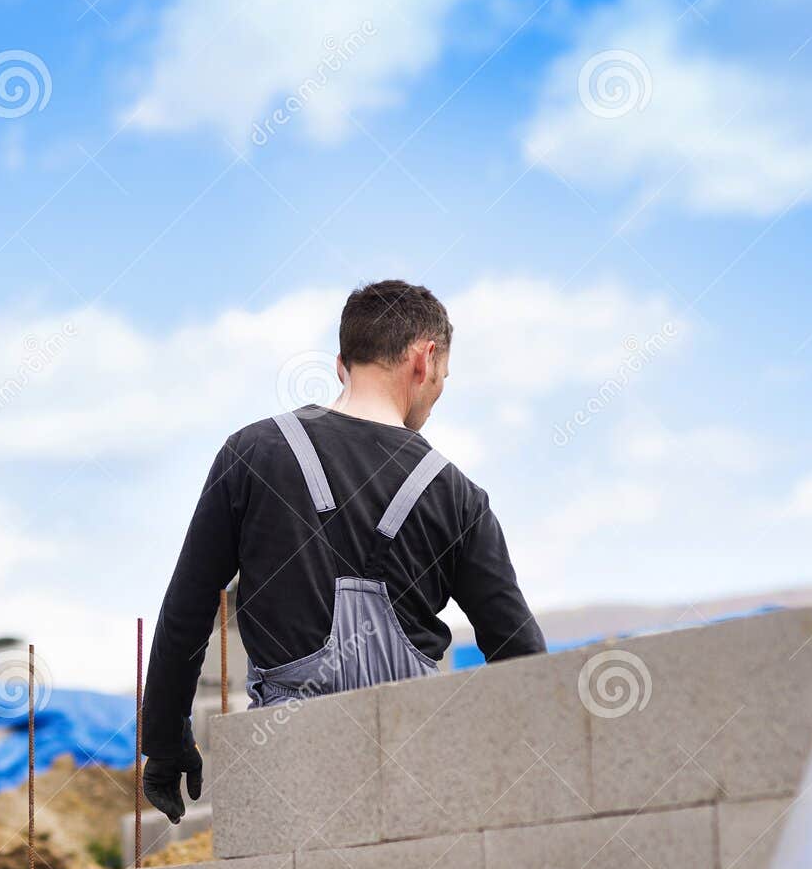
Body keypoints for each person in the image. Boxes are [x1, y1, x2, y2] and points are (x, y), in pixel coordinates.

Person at [140, 279, 546, 822]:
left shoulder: (254, 454)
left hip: (286, 771)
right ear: (424, 360)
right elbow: (523, 660)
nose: (439, 390)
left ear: (341, 364)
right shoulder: (457, 496)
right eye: (444, 375)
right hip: (415, 772)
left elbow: (188, 610)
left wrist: (166, 740)